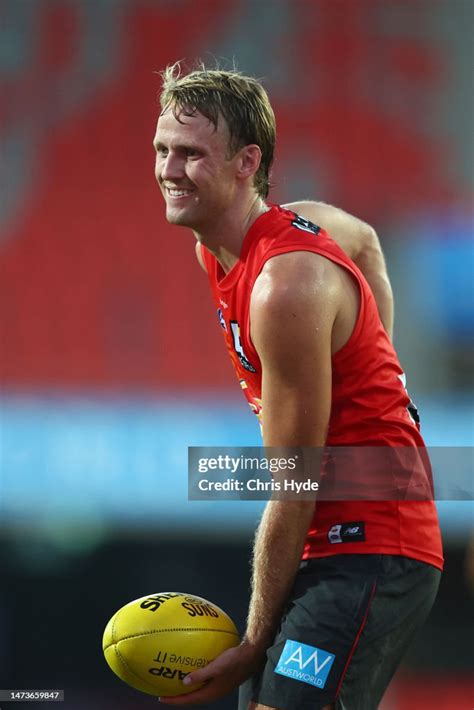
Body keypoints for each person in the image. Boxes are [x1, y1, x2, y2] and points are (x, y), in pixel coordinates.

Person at [153, 62, 443, 710]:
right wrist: (385, 380)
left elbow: (295, 482)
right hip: (336, 542)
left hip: (371, 544)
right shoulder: (226, 244)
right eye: (162, 149)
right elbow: (364, 241)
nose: (169, 169)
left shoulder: (283, 286)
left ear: (244, 162)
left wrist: (254, 642)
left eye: (191, 154)